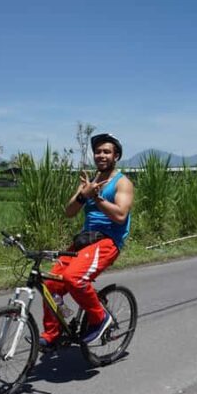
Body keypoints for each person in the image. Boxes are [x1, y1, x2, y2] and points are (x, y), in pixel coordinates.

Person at [40, 133, 134, 348]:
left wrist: (97, 198)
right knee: (51, 284)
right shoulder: (90, 182)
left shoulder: (123, 183)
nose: (101, 155)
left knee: (74, 278)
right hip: (85, 241)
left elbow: (120, 216)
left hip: (108, 241)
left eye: (106, 152)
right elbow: (70, 211)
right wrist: (84, 194)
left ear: (116, 156)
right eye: (98, 151)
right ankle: (53, 333)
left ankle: (100, 318)